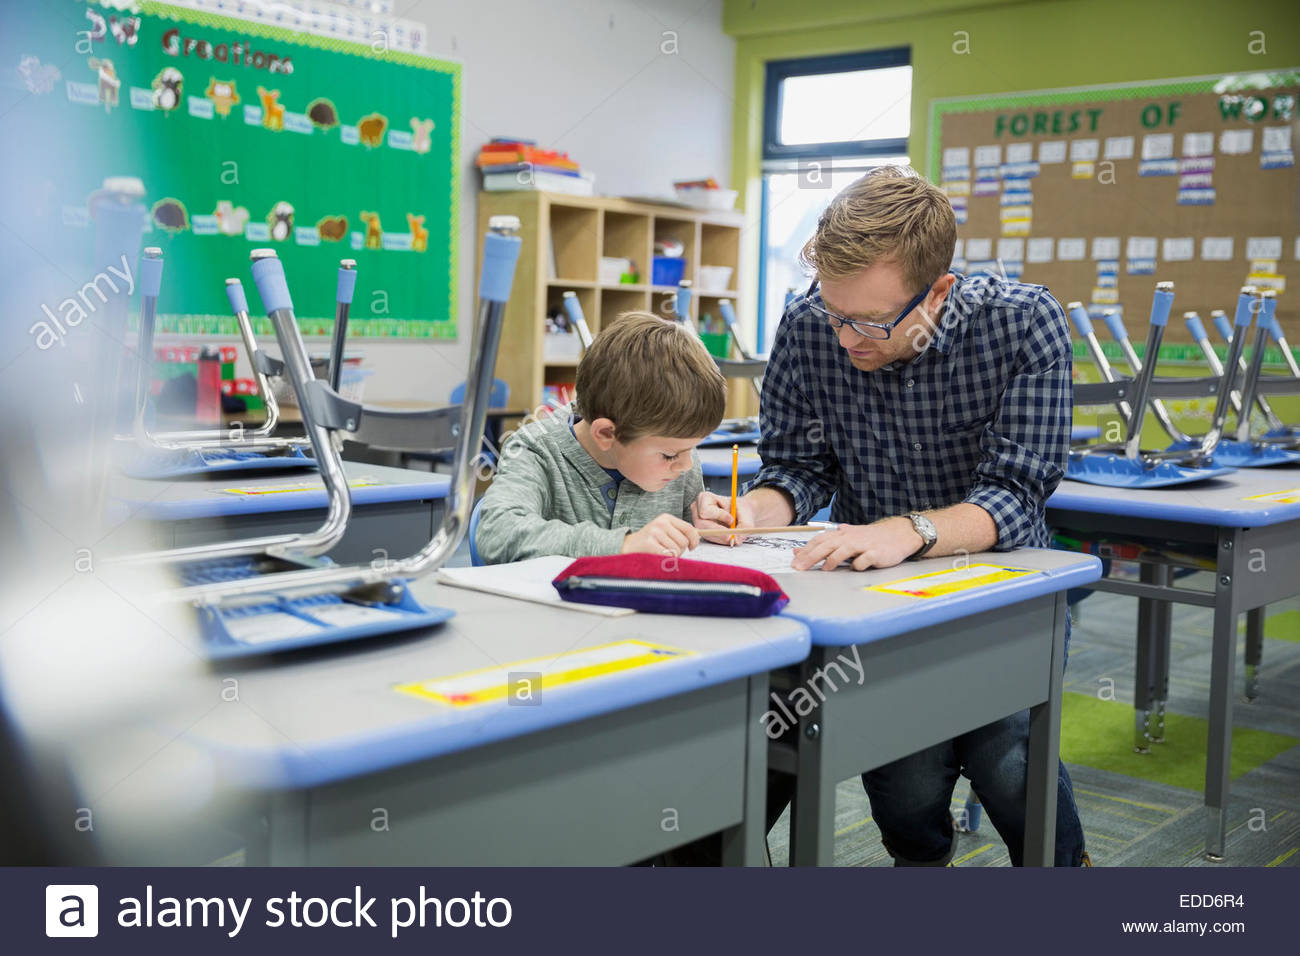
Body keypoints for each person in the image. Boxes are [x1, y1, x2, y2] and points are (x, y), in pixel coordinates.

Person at [694, 165, 1089, 866]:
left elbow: (1017, 493)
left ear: (938, 292)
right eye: (835, 314)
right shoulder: (809, 324)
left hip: (1003, 583)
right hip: (876, 594)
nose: (847, 341)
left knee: (1006, 761)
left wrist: (909, 531)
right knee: (905, 779)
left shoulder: (1025, 323)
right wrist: (752, 509)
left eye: (872, 323)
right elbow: (798, 468)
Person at [475, 311, 726, 564]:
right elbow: (497, 532)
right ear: (607, 433)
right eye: (670, 455)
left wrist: (707, 526)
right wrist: (623, 545)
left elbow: (688, 551)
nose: (687, 465)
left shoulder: (676, 453)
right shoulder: (536, 450)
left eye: (692, 448)